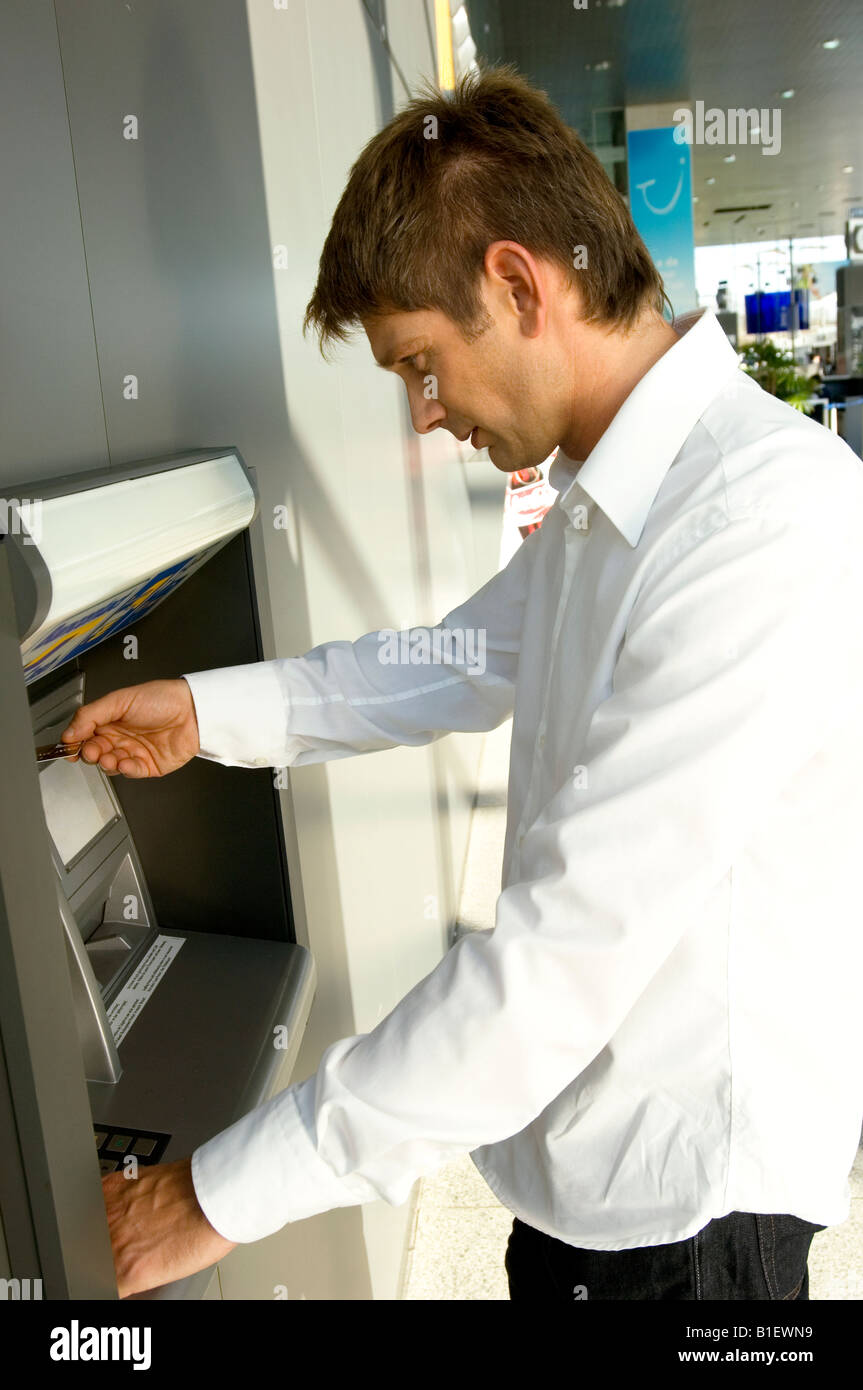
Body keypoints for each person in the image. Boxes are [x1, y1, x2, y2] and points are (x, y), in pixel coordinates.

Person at [63, 65, 863, 1301]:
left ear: (515, 283)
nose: (424, 417)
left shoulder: (757, 520)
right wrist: (206, 710)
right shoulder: (622, 501)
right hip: (585, 1189)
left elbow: (558, 957)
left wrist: (215, 1194)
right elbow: (444, 663)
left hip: (691, 1225)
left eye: (419, 365)